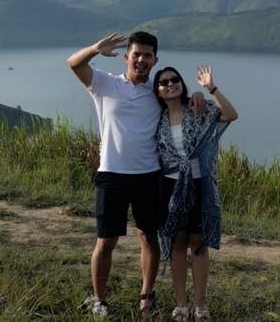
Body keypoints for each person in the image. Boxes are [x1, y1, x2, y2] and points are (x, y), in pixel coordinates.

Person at [67, 31, 205, 318]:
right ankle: (99, 300)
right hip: (112, 174)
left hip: (148, 176)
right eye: (137, 54)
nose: (142, 59)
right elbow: (74, 63)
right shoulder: (106, 84)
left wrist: (199, 94)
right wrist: (95, 48)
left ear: (155, 59)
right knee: (106, 241)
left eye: (148, 55)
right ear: (126, 56)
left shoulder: (156, 93)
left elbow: (179, 98)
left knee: (149, 238)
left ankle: (146, 296)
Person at [153, 65, 238, 321]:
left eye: (174, 79)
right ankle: (181, 303)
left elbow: (231, 115)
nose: (170, 84)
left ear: (182, 84)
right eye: (164, 82)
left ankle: (200, 304)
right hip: (170, 187)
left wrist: (210, 89)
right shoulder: (156, 117)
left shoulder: (197, 108)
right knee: (177, 244)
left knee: (198, 245)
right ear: (157, 91)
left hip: (199, 184)